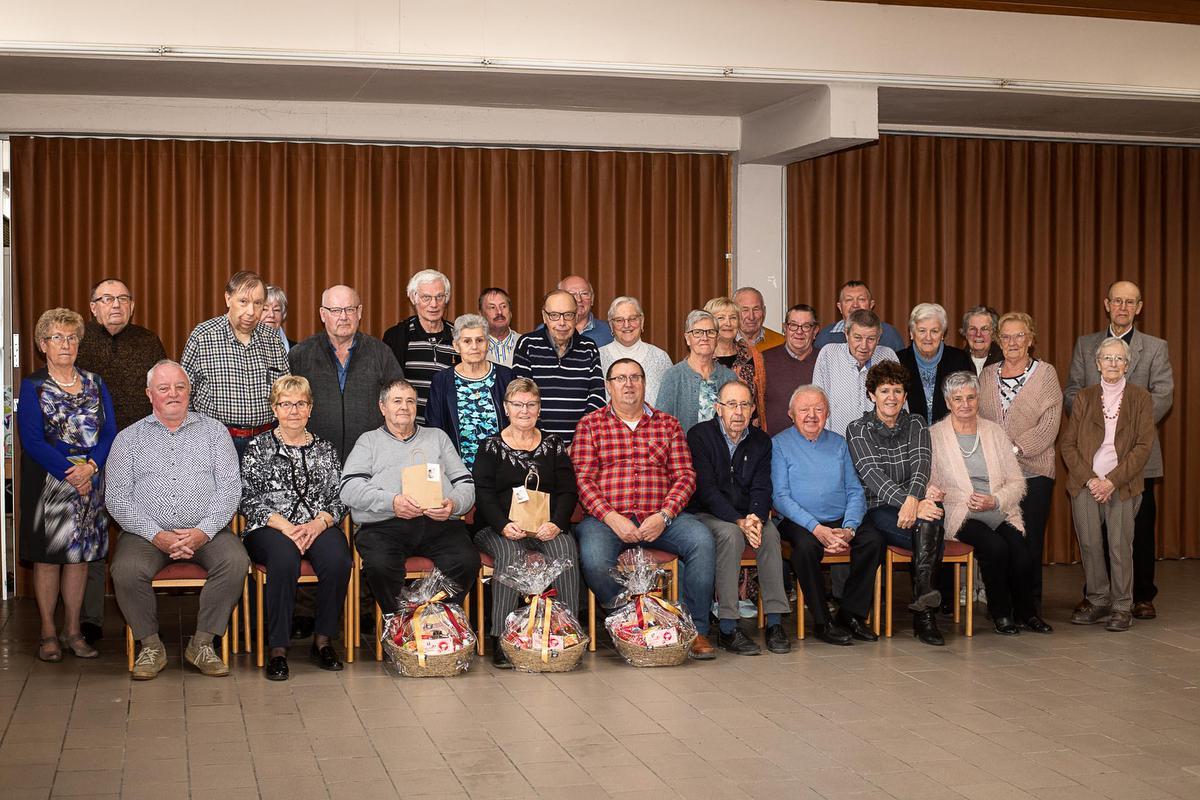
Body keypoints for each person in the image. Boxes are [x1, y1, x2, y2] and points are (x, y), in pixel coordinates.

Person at [107, 360, 248, 679]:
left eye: (180, 387)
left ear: (190, 392)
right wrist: (157, 535)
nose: (173, 394)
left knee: (236, 560)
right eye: (164, 388)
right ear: (149, 394)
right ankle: (151, 645)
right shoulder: (127, 440)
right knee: (125, 569)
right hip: (146, 535)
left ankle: (202, 643)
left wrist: (203, 531)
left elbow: (229, 489)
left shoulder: (215, 433)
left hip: (207, 532)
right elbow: (116, 498)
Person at [573, 358, 717, 660]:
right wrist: (611, 518)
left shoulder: (668, 424)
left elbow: (685, 476)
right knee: (595, 559)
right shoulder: (590, 424)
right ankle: (629, 623)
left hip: (660, 516)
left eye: (635, 377)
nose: (628, 384)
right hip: (606, 519)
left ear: (644, 383)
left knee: (702, 540)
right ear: (608, 386)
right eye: (621, 378)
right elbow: (583, 480)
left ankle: (695, 630)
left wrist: (664, 515)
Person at [1064, 280, 1173, 621]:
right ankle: (1097, 597)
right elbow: (1072, 391)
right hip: (1089, 456)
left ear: (1139, 307)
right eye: (1117, 301)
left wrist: (1132, 425)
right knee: (1093, 538)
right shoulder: (1086, 345)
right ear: (1107, 304)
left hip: (1137, 459)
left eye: (1131, 302)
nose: (1123, 307)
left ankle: (1139, 596)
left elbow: (1163, 395)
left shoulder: (1155, 347)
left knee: (1134, 535)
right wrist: (1088, 422)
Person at [17, 308, 117, 662]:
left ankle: (73, 631)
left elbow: (109, 432)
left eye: (72, 337)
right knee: (48, 561)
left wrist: (90, 468)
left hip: (90, 482)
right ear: (43, 345)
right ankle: (47, 632)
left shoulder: (96, 382)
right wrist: (72, 473)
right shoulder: (33, 386)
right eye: (57, 337)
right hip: (50, 484)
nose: (66, 344)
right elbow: (32, 441)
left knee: (79, 559)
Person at [239, 375, 352, 679]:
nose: (293, 411)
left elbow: (339, 497)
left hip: (317, 524)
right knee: (285, 559)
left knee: (338, 559)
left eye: (300, 404)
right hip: (270, 528)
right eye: (285, 404)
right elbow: (246, 499)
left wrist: (319, 523)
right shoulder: (257, 448)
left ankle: (323, 640)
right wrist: (287, 528)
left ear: (310, 408)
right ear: (274, 408)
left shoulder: (325, 449)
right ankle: (278, 648)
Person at [75, 277, 167, 645]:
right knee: (93, 533)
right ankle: (91, 618)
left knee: (142, 526)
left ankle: (148, 613)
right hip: (91, 454)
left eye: (123, 298)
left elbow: (165, 393)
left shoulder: (148, 341)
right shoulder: (78, 344)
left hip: (143, 453)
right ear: (93, 307)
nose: (116, 305)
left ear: (132, 305)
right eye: (107, 299)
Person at [926, 371, 1052, 636]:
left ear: (978, 399)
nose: (965, 404)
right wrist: (937, 494)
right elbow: (929, 481)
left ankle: (1027, 613)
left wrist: (995, 500)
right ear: (948, 402)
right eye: (958, 399)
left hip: (996, 508)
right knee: (995, 548)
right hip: (959, 512)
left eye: (971, 397)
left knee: (1020, 550)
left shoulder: (995, 432)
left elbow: (1018, 482)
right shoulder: (934, 436)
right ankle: (1001, 614)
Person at [341, 379, 479, 612]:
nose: (404, 407)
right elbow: (349, 488)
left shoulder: (437, 437)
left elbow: (466, 483)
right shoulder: (369, 441)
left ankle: (435, 619)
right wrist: (392, 502)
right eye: (397, 401)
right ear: (383, 407)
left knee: (466, 561)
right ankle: (400, 627)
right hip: (385, 526)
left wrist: (453, 505)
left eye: (410, 401)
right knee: (381, 565)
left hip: (439, 523)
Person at [472, 378, 580, 668]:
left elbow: (568, 490)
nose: (524, 410)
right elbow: (482, 493)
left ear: (539, 409)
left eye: (531, 404)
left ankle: (567, 633)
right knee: (510, 554)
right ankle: (502, 639)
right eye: (518, 404)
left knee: (566, 549)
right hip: (498, 529)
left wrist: (557, 523)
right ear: (506, 408)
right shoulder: (490, 447)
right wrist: (503, 525)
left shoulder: (554, 445)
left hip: (545, 528)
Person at [772, 386, 883, 646]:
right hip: (800, 521)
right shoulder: (778, 444)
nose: (812, 415)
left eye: (819, 409)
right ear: (791, 414)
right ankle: (823, 621)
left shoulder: (838, 443)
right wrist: (816, 528)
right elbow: (780, 497)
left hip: (840, 519)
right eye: (804, 410)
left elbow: (855, 490)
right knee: (806, 549)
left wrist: (850, 528)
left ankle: (851, 614)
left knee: (873, 541)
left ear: (828, 413)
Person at [846, 362, 946, 646]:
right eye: (884, 390)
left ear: (905, 396)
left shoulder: (915, 423)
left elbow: (921, 465)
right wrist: (910, 502)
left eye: (898, 391)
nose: (891, 397)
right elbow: (873, 476)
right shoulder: (857, 429)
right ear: (871, 395)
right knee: (931, 524)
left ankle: (923, 601)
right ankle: (925, 615)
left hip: (914, 502)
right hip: (878, 508)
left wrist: (914, 501)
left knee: (931, 517)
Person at [687, 381, 789, 655]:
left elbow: (762, 486)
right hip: (707, 513)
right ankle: (729, 626)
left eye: (745, 405)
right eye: (731, 404)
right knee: (731, 535)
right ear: (718, 408)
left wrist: (755, 517)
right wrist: (738, 521)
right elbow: (705, 490)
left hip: (747, 514)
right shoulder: (699, 435)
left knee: (770, 534)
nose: (738, 412)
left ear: (753, 409)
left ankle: (775, 622)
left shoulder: (761, 440)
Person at [1061, 338, 1156, 632]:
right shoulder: (1085, 397)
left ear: (1127, 365)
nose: (1113, 364)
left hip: (1122, 485)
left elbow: (1142, 447)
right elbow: (1068, 444)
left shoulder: (1140, 398)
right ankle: (1099, 599)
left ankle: (1121, 605)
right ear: (1098, 363)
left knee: (1119, 546)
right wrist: (1091, 479)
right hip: (1086, 484)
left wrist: (1111, 481)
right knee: (1089, 544)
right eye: (1107, 358)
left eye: (1119, 359)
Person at [977, 312, 1062, 611]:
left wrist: (1013, 450)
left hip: (1035, 473)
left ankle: (1030, 610)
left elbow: (1050, 423)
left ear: (1031, 339)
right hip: (997, 477)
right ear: (999, 341)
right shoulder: (987, 375)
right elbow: (979, 421)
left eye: (1019, 335)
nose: (1013, 342)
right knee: (1003, 542)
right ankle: (1004, 609)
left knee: (1029, 543)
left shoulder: (1046, 374)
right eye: (1007, 336)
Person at [288, 284, 405, 463]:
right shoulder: (300, 355)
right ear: (322, 314)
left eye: (349, 309)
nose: (343, 317)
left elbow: (399, 403)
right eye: (335, 310)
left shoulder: (381, 353)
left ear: (359, 312)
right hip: (313, 461)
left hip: (370, 460)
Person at [181, 270, 290, 455]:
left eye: (258, 304)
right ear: (228, 299)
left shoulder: (272, 339)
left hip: (266, 442)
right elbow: (184, 392)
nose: (251, 311)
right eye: (243, 302)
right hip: (215, 441)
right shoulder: (203, 336)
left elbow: (286, 392)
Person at [512, 290, 605, 446]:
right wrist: (545, 443)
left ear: (576, 317)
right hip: (535, 445)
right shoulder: (527, 344)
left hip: (580, 446)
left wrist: (579, 441)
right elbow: (522, 398)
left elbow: (597, 397)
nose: (562, 322)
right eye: (554, 315)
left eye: (568, 315)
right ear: (544, 317)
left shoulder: (589, 348)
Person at [426, 314, 513, 469]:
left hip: (501, 471)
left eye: (480, 340)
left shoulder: (506, 376)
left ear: (488, 343)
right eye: (467, 341)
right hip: (457, 472)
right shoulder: (441, 381)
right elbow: (434, 430)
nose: (474, 346)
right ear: (456, 346)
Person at [382, 269, 459, 424]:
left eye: (439, 297)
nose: (434, 304)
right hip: (407, 429)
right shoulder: (397, 336)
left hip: (447, 430)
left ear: (447, 298)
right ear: (413, 298)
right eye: (426, 298)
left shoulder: (459, 336)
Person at [812, 309, 899, 436]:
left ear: (879, 338)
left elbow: (900, 405)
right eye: (857, 338)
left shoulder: (888, 356)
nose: (864, 346)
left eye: (871, 339)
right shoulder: (828, 354)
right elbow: (817, 403)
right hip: (838, 445)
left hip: (878, 446)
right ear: (846, 335)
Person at [655, 310, 737, 433]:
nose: (704, 338)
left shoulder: (729, 378)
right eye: (697, 333)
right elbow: (660, 424)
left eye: (710, 332)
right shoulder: (673, 376)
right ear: (688, 339)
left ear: (717, 338)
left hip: (723, 451)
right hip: (683, 450)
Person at [897, 303, 973, 425]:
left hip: (950, 435)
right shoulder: (898, 361)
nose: (928, 337)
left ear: (943, 334)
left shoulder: (958, 360)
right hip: (909, 436)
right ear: (912, 333)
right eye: (922, 331)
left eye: (934, 331)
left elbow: (968, 402)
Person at [598, 296, 672, 406]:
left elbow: (671, 401)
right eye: (619, 320)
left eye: (632, 319)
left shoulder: (660, 358)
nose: (627, 325)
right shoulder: (598, 357)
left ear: (642, 322)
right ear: (611, 325)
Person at [706, 296, 766, 425]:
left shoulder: (753, 357)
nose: (728, 323)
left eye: (733, 318)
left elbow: (760, 404)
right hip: (709, 436)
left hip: (748, 435)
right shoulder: (702, 360)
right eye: (721, 318)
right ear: (709, 323)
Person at [762, 303, 820, 435]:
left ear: (815, 331)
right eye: (793, 325)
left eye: (806, 326)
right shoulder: (763, 360)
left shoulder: (825, 360)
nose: (799, 332)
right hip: (774, 446)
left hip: (817, 445)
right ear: (785, 328)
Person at [814, 280, 905, 352]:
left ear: (871, 305)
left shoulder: (889, 334)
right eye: (849, 300)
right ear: (839, 307)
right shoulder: (825, 337)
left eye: (861, 299)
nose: (855, 305)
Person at [559, 275, 613, 346]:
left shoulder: (609, 331)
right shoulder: (547, 330)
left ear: (592, 299)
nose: (579, 299)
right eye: (572, 294)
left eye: (584, 294)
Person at [733, 286, 785, 351]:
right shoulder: (721, 343)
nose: (751, 317)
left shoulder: (781, 343)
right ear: (733, 312)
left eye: (756, 309)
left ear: (764, 312)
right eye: (745, 310)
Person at [480, 287, 520, 367]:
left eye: (503, 306)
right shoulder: (474, 348)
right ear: (481, 315)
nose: (499, 312)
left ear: (510, 312)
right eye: (492, 307)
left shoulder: (526, 344)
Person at [961, 305, 1002, 375]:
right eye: (973, 329)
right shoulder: (957, 362)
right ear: (965, 333)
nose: (978, 334)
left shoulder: (1004, 361)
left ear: (994, 333)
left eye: (984, 329)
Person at [261, 284, 294, 352]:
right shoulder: (241, 346)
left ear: (283, 314)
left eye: (276, 310)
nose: (271, 315)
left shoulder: (296, 350)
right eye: (265, 309)